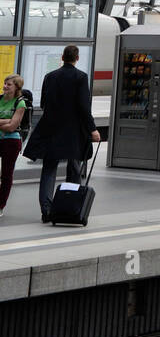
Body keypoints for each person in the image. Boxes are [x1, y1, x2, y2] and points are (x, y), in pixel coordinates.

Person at [24, 44, 100, 222]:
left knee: (49, 169)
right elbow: (83, 107)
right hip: (73, 132)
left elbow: (43, 103)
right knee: (74, 168)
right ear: (77, 58)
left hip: (51, 129)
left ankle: (46, 210)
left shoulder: (50, 76)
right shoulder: (81, 77)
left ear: (62, 57)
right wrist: (92, 129)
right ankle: (70, 206)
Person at [0, 74, 27, 216]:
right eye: (5, 83)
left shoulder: (20, 103)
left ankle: (0, 205)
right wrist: (7, 120)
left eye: (9, 84)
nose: (5, 86)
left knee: (6, 175)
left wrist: (7, 123)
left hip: (11, 141)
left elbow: (12, 127)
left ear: (17, 87)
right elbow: (10, 123)